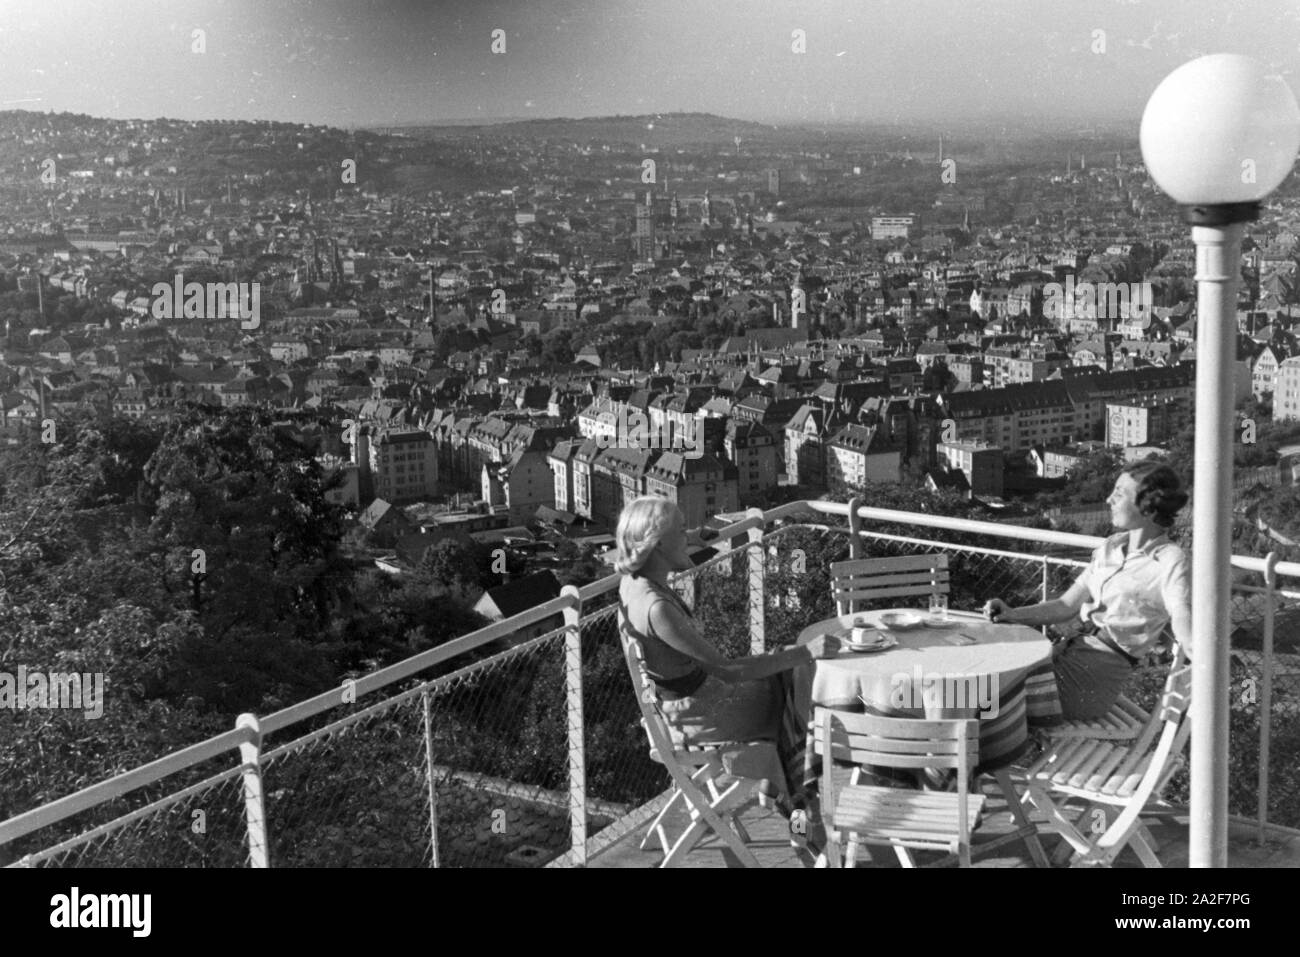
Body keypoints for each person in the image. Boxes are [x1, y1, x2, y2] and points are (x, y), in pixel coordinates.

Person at [615, 495, 840, 814]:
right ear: (658, 544)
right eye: (682, 530)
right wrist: (808, 650)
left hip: (676, 708)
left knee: (790, 670)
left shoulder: (631, 585)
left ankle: (787, 786)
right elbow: (728, 671)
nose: (688, 536)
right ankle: (799, 796)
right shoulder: (659, 610)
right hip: (701, 715)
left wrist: (691, 538)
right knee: (800, 687)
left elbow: (668, 544)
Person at [983, 462, 1192, 723]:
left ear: (1149, 505)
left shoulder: (1168, 559)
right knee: (980, 677)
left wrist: (1199, 653)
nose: (1108, 499)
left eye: (1119, 493)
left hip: (1091, 679)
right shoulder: (1112, 548)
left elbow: (1180, 611)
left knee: (983, 697)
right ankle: (952, 756)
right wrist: (1012, 614)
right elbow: (1065, 605)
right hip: (1067, 657)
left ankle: (953, 758)